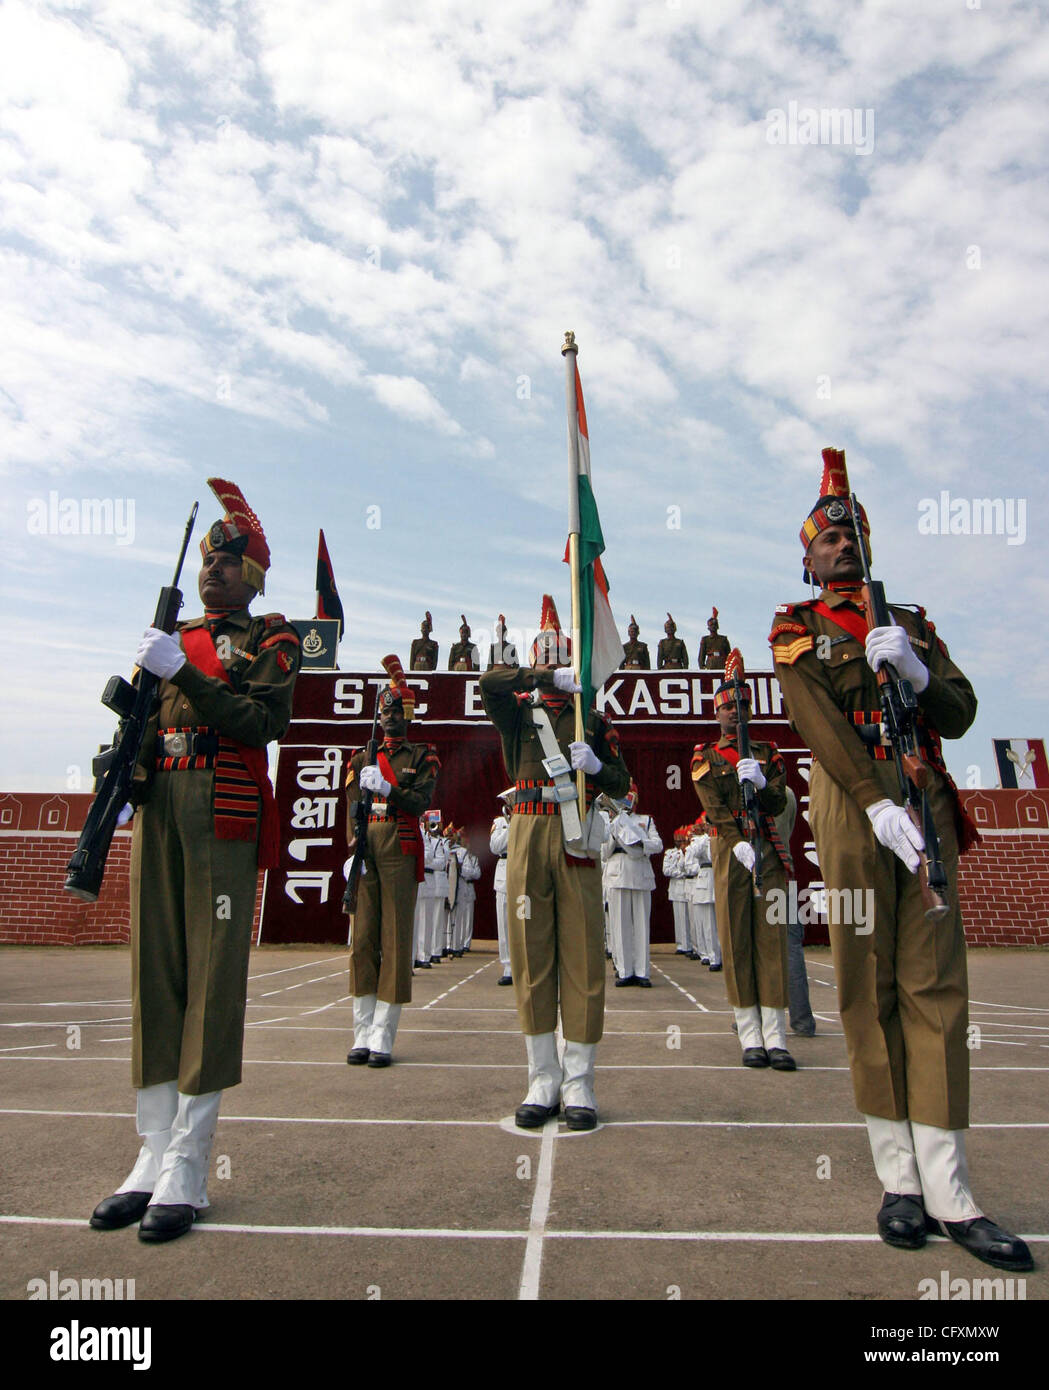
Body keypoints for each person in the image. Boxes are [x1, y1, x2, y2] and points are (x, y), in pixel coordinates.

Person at [770, 446, 1032, 1272]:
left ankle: (952, 1192)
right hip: (854, 807)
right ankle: (898, 1183)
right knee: (866, 980)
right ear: (806, 558)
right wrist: (872, 800)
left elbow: (957, 712)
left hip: (923, 795)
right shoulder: (795, 625)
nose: (842, 545)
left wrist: (917, 672)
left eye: (852, 534)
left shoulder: (912, 623)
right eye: (827, 538)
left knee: (936, 986)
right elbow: (814, 716)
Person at [89, 479, 301, 1243]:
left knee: (211, 981)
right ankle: (150, 1155)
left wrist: (182, 669)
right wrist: (114, 774)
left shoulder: (271, 640)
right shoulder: (171, 635)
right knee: (158, 975)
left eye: (228, 561)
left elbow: (259, 721)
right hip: (162, 808)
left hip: (222, 808)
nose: (213, 571)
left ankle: (188, 1167)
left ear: (254, 575)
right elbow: (143, 723)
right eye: (209, 561)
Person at [479, 595, 630, 1130]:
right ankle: (542, 1077)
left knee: (584, 954)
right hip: (524, 828)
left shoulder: (592, 717)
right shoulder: (517, 709)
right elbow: (486, 683)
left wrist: (599, 767)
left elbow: (624, 783)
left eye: (554, 655)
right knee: (530, 952)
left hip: (576, 834)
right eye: (541, 655)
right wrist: (532, 675)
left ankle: (580, 1080)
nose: (547, 662)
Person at [691, 651, 794, 1069]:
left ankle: (776, 1035)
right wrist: (734, 842)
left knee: (771, 940)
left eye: (743, 705)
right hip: (731, 849)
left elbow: (777, 803)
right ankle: (749, 1031)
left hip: (766, 847)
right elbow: (713, 807)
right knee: (736, 940)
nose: (736, 713)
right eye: (729, 707)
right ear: (718, 713)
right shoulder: (707, 756)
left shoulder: (770, 753)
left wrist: (764, 782)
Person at [345, 657, 440, 1067]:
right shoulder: (360, 755)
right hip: (369, 844)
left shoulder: (422, 756)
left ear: (409, 716)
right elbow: (352, 805)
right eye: (384, 711)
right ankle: (361, 1031)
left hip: (400, 843)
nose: (389, 718)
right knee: (363, 940)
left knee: (394, 939)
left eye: (397, 712)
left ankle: (384, 1033)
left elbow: (420, 802)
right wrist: (354, 844)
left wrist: (388, 787)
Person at [602, 783, 662, 987]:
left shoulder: (645, 820)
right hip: (617, 872)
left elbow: (658, 844)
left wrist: (640, 843)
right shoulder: (610, 821)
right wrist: (613, 831)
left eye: (630, 797)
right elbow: (604, 853)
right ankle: (625, 970)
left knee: (641, 925)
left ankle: (642, 971)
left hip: (640, 872)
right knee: (620, 925)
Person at [775, 785, 816, 1036]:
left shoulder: (747, 790)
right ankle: (802, 1020)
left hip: (760, 875)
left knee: (758, 949)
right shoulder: (787, 793)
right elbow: (787, 830)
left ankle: (756, 1013)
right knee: (791, 947)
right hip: (784, 872)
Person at [685, 816, 721, 970]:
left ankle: (724, 955)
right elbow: (693, 853)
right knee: (708, 924)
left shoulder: (722, 836)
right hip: (705, 877)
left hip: (720, 876)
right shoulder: (699, 840)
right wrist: (706, 838)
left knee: (722, 923)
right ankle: (713, 958)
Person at [490, 791, 514, 985]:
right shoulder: (500, 823)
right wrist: (513, 826)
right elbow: (495, 846)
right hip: (504, 875)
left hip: (525, 875)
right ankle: (508, 967)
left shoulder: (530, 819)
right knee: (504, 924)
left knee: (527, 919)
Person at [663, 829, 691, 957]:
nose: (680, 842)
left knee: (691, 919)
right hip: (676, 888)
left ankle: (690, 945)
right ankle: (681, 945)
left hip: (688, 887)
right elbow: (667, 870)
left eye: (682, 840)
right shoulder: (670, 853)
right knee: (680, 919)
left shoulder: (689, 851)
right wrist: (681, 873)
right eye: (678, 840)